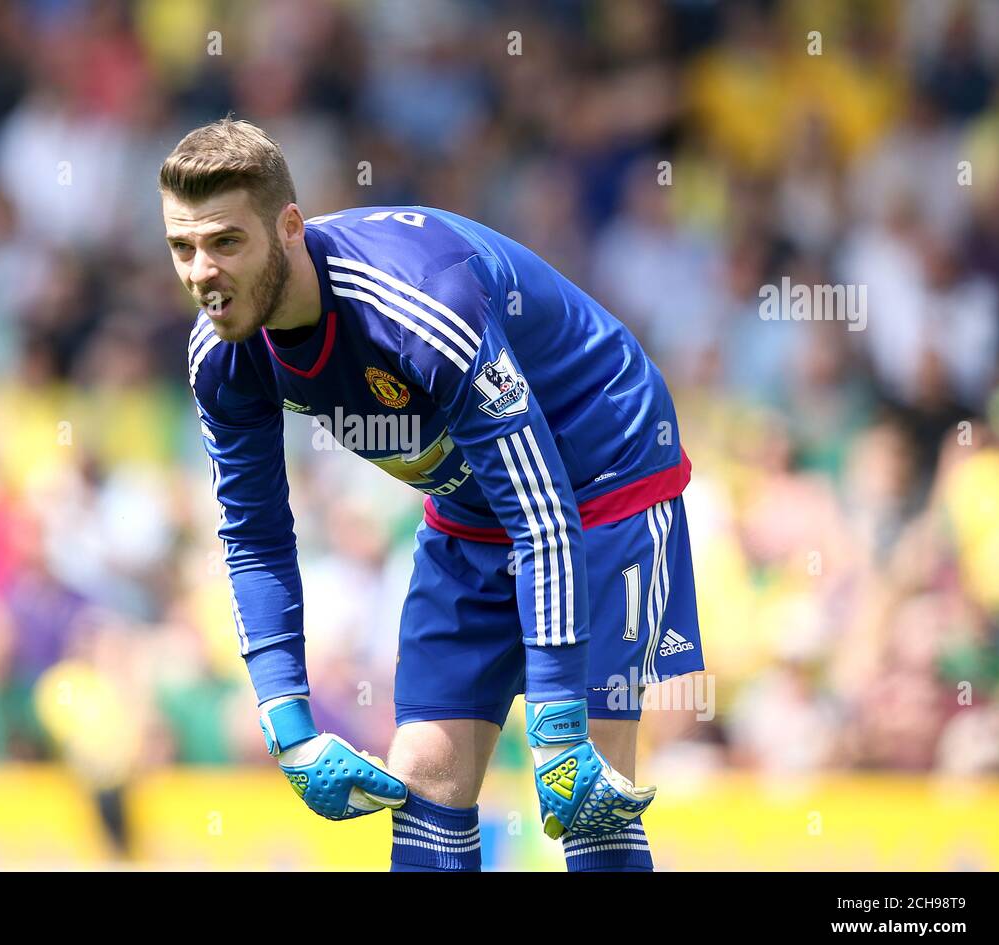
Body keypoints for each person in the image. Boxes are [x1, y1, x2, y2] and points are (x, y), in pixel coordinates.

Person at [162, 118, 703, 872]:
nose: (201, 274)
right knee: (424, 780)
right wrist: (289, 724)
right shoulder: (222, 356)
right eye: (181, 248)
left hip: (602, 467)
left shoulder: (416, 307)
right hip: (477, 495)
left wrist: (554, 723)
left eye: (225, 243)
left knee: (584, 794)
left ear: (289, 227)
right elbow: (254, 536)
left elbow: (543, 512)